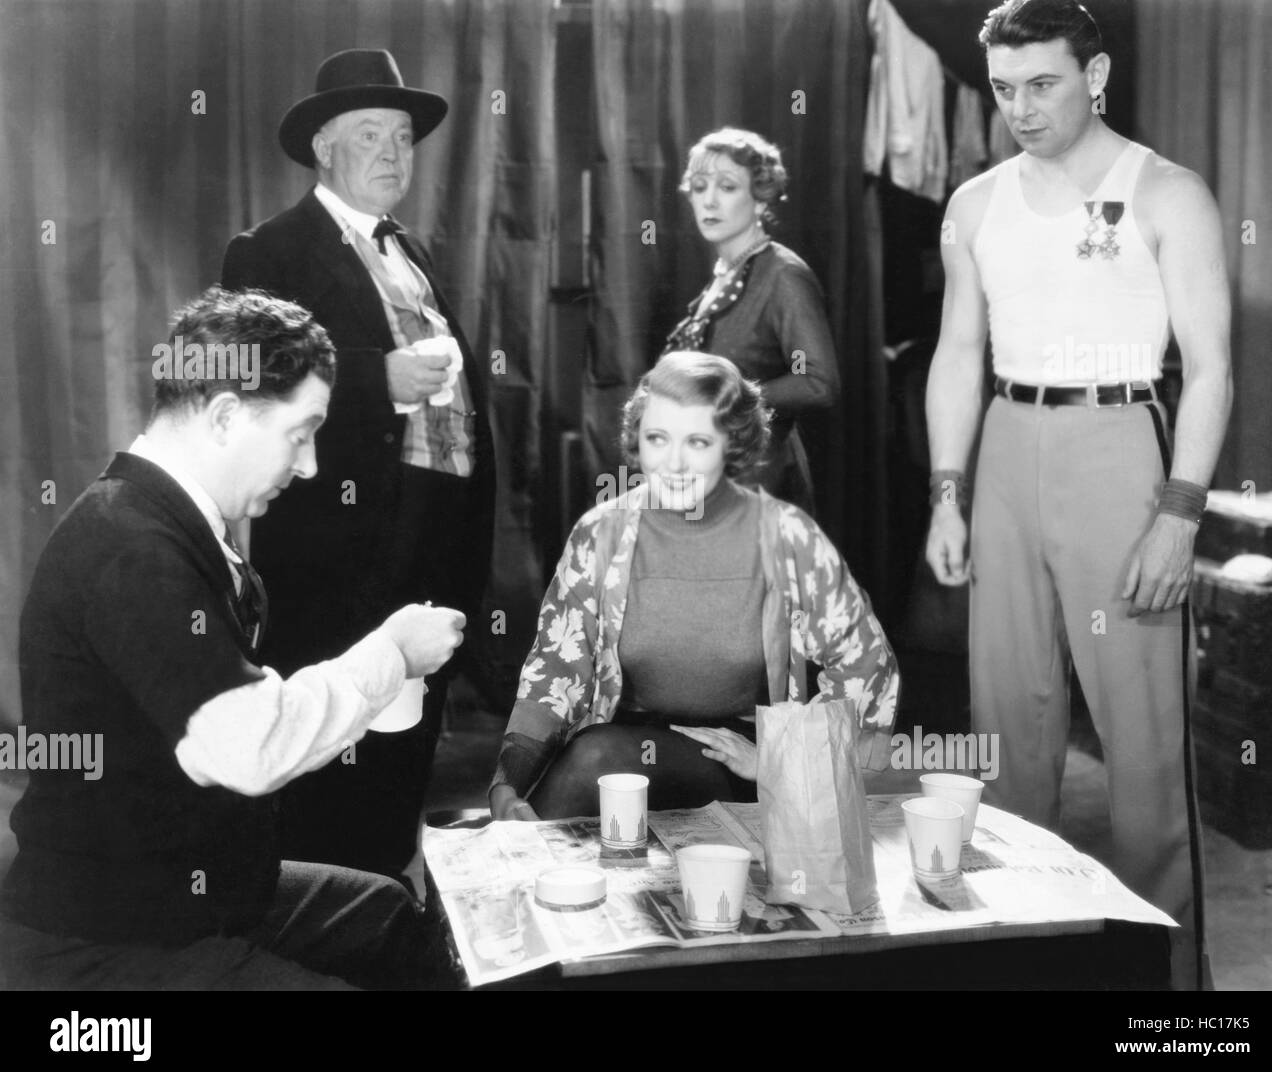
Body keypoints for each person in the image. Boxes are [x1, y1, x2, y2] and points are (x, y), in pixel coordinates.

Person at [0, 287, 465, 990]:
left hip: (204, 894)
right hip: (104, 943)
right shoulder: (130, 548)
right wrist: (392, 653)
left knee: (389, 913)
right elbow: (250, 747)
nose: (308, 465)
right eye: (299, 433)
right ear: (223, 417)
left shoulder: (171, 523)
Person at [924, 0, 1232, 990]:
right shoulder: (972, 206)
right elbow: (958, 354)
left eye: (1042, 83)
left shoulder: (1167, 192)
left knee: (1143, 763)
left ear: (1094, 75)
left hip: (1121, 448)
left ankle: (1171, 1002)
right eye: (1004, 88)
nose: (1021, 106)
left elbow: (1214, 369)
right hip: (1009, 448)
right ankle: (1027, 966)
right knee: (1008, 747)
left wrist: (1178, 513)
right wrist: (947, 494)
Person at [221, 49, 496, 888]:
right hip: (335, 559)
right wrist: (374, 378)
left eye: (404, 136)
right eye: (370, 133)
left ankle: (386, 919)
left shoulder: (409, 251)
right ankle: (326, 932)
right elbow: (250, 381)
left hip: (427, 547)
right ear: (323, 149)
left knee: (404, 756)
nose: (392, 152)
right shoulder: (270, 249)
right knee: (332, 760)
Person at [490, 352, 898, 821]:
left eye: (698, 442)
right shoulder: (601, 533)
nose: (674, 463)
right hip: (627, 745)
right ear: (636, 441)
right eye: (658, 439)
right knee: (596, 762)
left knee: (595, 761)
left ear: (733, 444)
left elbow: (868, 669)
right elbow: (555, 670)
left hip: (741, 761)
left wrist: (782, 758)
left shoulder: (787, 537)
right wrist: (507, 784)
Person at [664, 128, 839, 516]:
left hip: (760, 484)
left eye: (727, 187)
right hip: (712, 481)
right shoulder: (727, 272)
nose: (708, 200)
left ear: (760, 199)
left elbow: (819, 384)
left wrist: (724, 400)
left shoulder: (782, 275)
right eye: (698, 186)